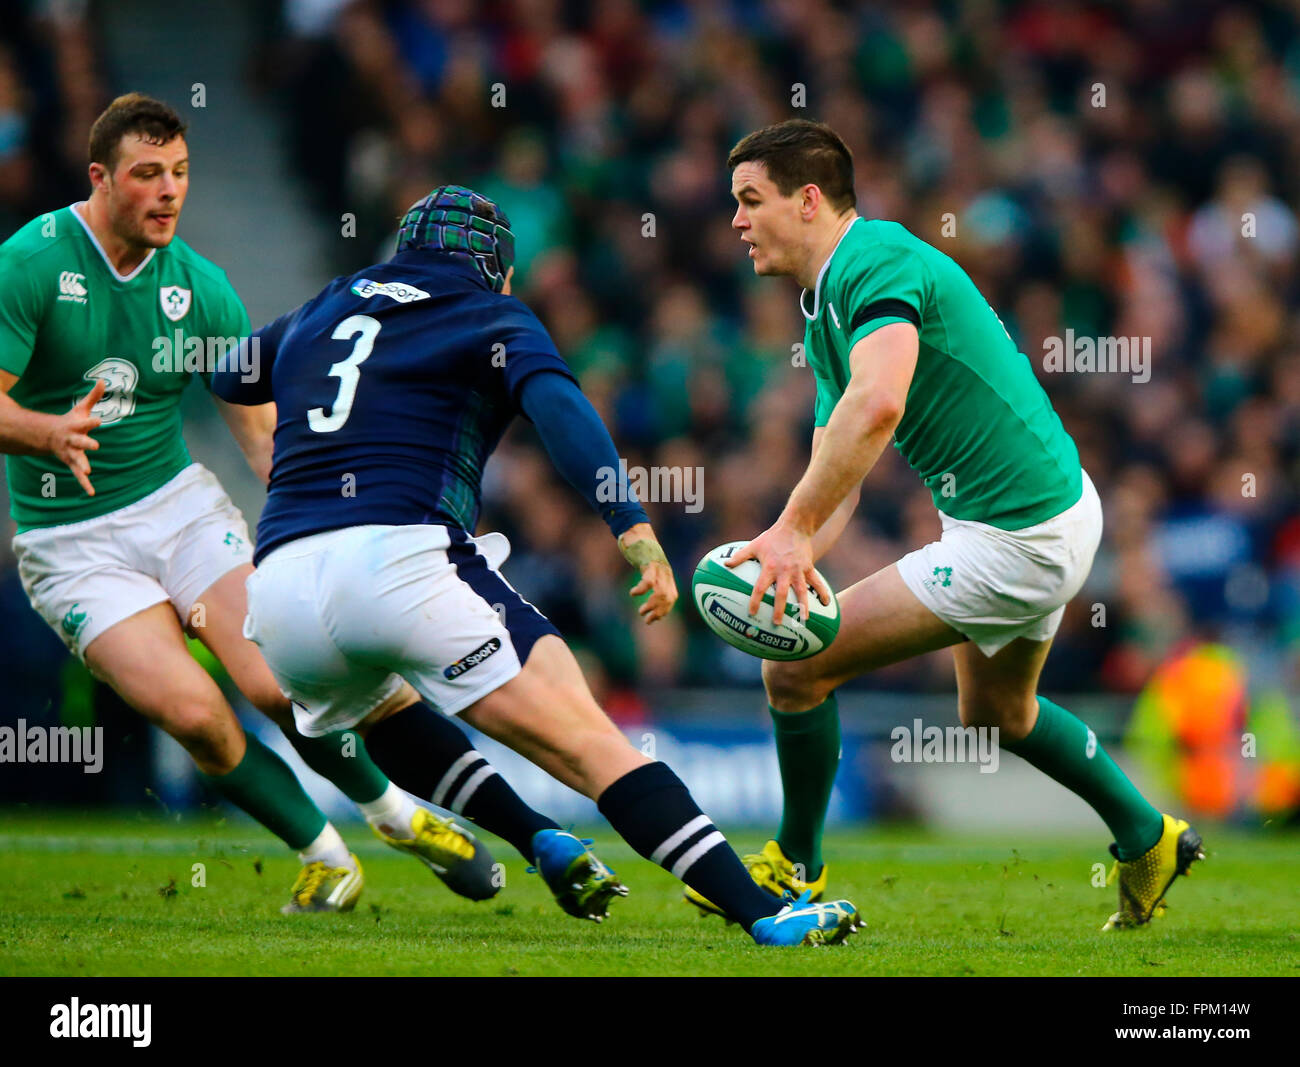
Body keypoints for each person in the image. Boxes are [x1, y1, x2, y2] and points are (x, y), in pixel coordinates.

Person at [212, 185, 862, 945]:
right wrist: (631, 524)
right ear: (497, 268)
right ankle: (763, 912)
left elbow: (228, 373)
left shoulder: (327, 303)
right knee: (594, 745)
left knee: (386, 709)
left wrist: (271, 458)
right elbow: (560, 407)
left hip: (282, 583)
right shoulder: (489, 309)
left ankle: (533, 834)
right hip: (399, 558)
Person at [0, 92, 516, 913]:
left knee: (282, 684)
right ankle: (325, 855)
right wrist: (42, 433)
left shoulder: (202, 291)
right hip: (70, 540)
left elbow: (262, 436)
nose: (169, 191)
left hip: (179, 509)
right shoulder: (29, 264)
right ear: (99, 178)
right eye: (147, 175)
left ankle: (397, 815)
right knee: (197, 714)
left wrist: (334, 516)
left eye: (180, 173)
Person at [689, 119, 1203, 931]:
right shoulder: (828, 300)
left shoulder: (874, 260)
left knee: (795, 671)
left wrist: (792, 531)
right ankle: (1149, 835)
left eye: (751, 200)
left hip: (1013, 539)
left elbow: (882, 401)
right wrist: (786, 553)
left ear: (809, 199)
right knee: (999, 714)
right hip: (1045, 512)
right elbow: (841, 467)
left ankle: (794, 865)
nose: (738, 220)